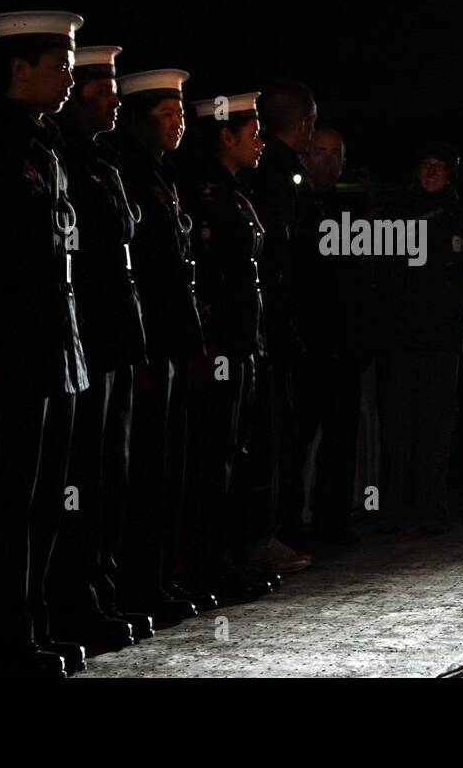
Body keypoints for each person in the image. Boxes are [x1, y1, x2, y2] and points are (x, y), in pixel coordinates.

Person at [0, 10, 89, 677]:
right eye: (59, 65)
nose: (69, 78)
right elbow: (0, 261)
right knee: (8, 499)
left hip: (54, 342)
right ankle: (1, 637)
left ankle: (32, 625)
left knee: (45, 497)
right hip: (15, 346)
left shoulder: (46, 144)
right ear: (18, 69)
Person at [50, 45, 146, 649]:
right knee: (80, 477)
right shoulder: (62, 156)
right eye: (101, 90)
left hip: (111, 337)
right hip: (84, 335)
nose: (113, 101)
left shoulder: (100, 160)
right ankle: (74, 600)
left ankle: (102, 591)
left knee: (112, 470)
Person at [112, 68, 212, 621]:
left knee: (168, 465)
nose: (178, 123)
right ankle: (136, 584)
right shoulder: (128, 171)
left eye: (179, 114)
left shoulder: (160, 173)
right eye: (166, 114)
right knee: (143, 469)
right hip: (148, 339)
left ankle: (158, 578)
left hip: (171, 338)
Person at [181, 92, 276, 600]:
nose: (260, 142)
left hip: (242, 341)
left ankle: (230, 559)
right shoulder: (205, 194)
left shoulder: (236, 192)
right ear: (225, 136)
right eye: (252, 133)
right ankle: (208, 565)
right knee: (213, 457)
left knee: (234, 453)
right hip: (220, 342)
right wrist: (212, 339)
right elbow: (209, 276)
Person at [377, 141, 463, 534]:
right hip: (399, 337)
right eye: (425, 164)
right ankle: (393, 506)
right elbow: (377, 274)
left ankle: (432, 506)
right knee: (397, 425)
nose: (431, 172)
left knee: (436, 425)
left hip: (443, 337)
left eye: (439, 166)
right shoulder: (395, 214)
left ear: (450, 174)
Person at [292, 126, 374, 543]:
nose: (327, 160)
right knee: (297, 439)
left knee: (341, 437)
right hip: (304, 346)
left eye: (334, 153)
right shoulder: (292, 207)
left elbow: (364, 282)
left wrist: (361, 339)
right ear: (305, 157)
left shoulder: (353, 211)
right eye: (319, 152)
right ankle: (287, 524)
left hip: (344, 345)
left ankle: (332, 521)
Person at [250, 84, 317, 566]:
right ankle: (271, 531)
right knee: (276, 434)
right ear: (304, 122)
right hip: (275, 323)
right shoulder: (277, 173)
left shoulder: (275, 170)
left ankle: (277, 529)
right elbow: (282, 259)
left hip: (275, 321)